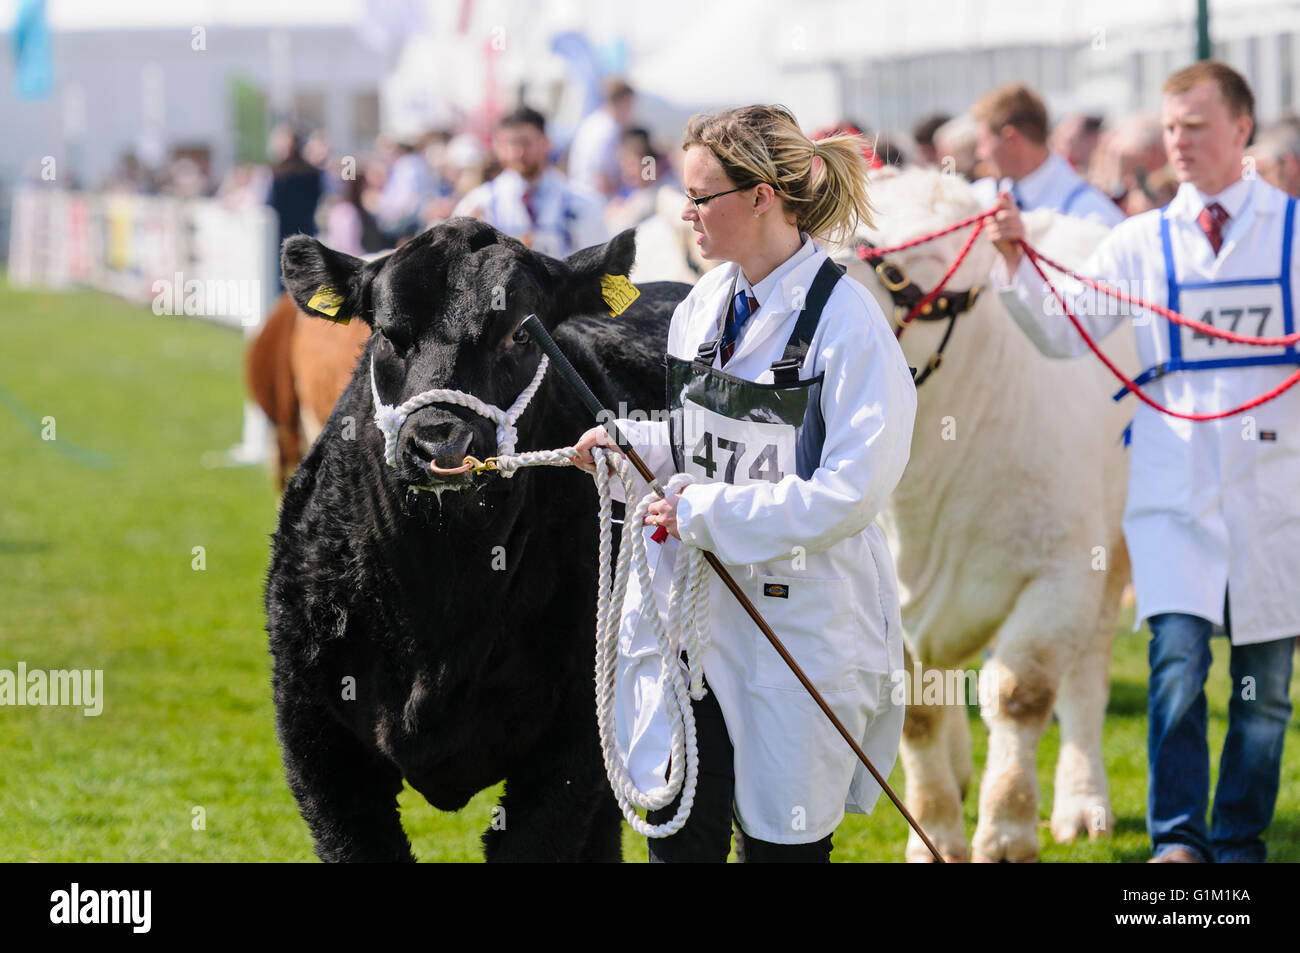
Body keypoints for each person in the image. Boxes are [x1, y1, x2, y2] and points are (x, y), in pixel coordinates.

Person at [572, 104, 917, 862]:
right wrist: (633, 445)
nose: (687, 214)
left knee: (782, 848)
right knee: (678, 841)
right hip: (690, 621)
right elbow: (702, 445)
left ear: (763, 196)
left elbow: (851, 492)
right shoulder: (700, 305)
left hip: (799, 628)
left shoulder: (850, 323)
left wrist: (710, 511)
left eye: (702, 197)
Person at [987, 61, 1299, 863]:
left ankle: (1239, 839)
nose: (1179, 143)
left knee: (1263, 693)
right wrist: (1019, 264)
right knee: (1176, 667)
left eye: (1196, 126)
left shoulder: (1294, 235)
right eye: (1169, 128)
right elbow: (1063, 331)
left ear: (1241, 129)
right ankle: (1180, 840)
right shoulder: (1141, 240)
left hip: (1274, 495)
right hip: (1174, 491)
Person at [454, 106, 607, 258]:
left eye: (526, 143)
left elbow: (598, 268)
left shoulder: (584, 205)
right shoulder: (478, 205)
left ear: (546, 143)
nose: (518, 153)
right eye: (511, 143)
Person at [972, 82, 1124, 227]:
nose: (980, 154)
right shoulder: (979, 198)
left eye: (984, 142)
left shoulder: (1093, 215)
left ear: (1011, 139)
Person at [568, 78, 638, 199]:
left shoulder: (593, 121)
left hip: (580, 193)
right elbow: (602, 180)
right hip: (594, 200)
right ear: (622, 102)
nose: (632, 110)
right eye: (630, 104)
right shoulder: (609, 131)